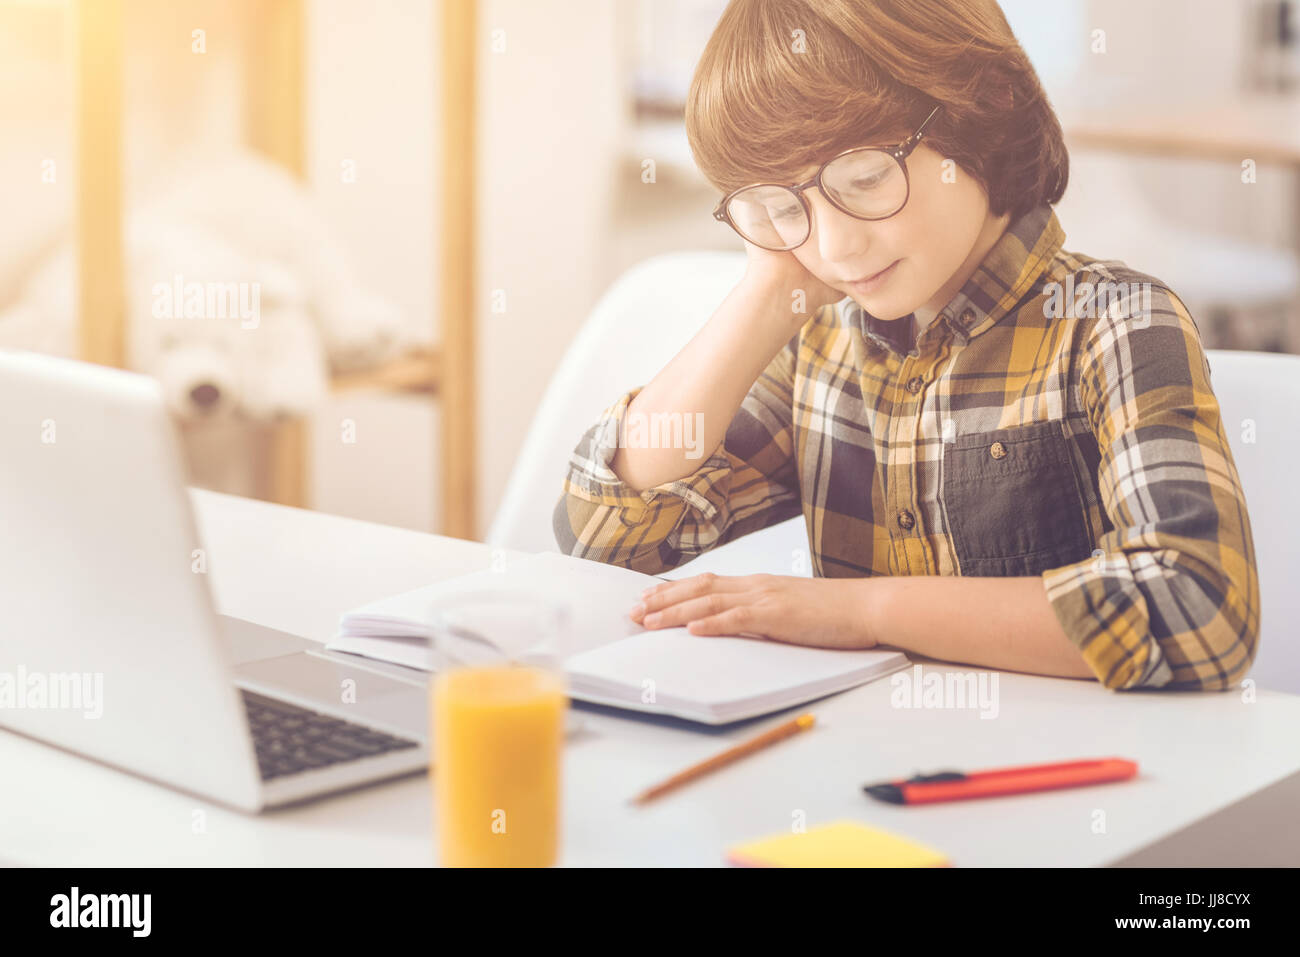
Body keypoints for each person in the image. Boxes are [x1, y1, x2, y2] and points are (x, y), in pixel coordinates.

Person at [553, 0, 1259, 690]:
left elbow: (1199, 605)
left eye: (865, 179)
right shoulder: (823, 348)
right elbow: (604, 532)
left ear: (986, 106)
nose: (834, 245)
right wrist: (768, 288)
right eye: (782, 206)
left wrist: (866, 610)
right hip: (872, 770)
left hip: (1078, 781)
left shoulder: (1113, 323)